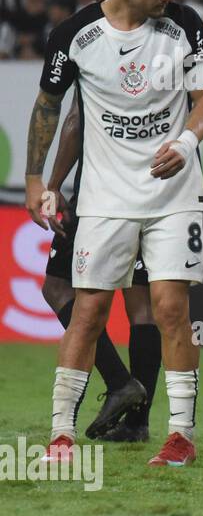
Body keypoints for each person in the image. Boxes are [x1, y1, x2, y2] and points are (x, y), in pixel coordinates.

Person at [24, 0, 203, 467]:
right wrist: (37, 182)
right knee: (86, 311)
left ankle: (180, 437)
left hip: (173, 193)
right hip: (105, 199)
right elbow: (50, 108)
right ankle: (61, 436)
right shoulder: (74, 36)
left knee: (170, 307)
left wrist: (185, 140)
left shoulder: (184, 26)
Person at [40, 94, 163, 443]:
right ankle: (137, 423)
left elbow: (77, 118)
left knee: (58, 287)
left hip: (100, 192)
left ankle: (120, 383)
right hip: (156, 190)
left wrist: (52, 185)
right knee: (141, 301)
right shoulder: (167, 44)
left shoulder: (86, 41)